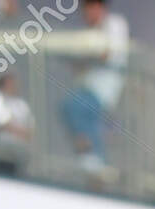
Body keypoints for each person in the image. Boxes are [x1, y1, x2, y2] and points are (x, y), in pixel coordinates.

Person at [60, 0, 129, 174]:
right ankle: (92, 160)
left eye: (88, 10)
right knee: (81, 117)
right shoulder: (92, 31)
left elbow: (105, 54)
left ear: (97, 7)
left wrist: (85, 55)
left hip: (103, 88)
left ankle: (96, 159)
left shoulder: (114, 23)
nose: (86, 16)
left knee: (74, 108)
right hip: (89, 86)